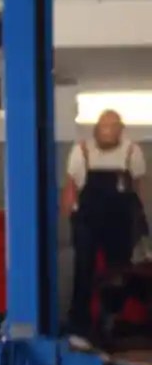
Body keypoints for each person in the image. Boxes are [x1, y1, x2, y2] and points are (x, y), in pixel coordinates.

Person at [62, 109, 148, 337]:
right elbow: (70, 189)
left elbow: (140, 189)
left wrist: (143, 220)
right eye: (104, 127)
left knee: (117, 273)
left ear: (121, 130)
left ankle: (109, 321)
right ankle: (79, 323)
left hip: (120, 223)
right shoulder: (81, 150)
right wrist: (68, 219)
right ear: (96, 129)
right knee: (84, 271)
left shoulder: (132, 151)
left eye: (113, 127)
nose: (108, 131)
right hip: (87, 222)